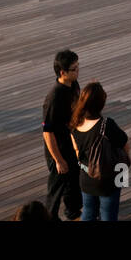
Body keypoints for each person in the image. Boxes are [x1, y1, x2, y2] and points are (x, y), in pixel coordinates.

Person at [70, 82, 130, 222]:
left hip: (86, 177)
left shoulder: (75, 124)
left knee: (88, 213)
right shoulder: (107, 124)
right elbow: (125, 144)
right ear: (101, 104)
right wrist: (125, 163)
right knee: (108, 215)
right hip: (109, 179)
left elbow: (77, 151)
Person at [42, 49, 81, 221]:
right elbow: (48, 133)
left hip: (71, 144)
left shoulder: (74, 85)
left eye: (78, 67)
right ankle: (50, 216)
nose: (78, 71)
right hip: (58, 149)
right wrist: (58, 160)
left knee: (73, 180)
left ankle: (72, 210)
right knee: (56, 187)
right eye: (74, 69)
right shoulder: (54, 98)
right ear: (62, 72)